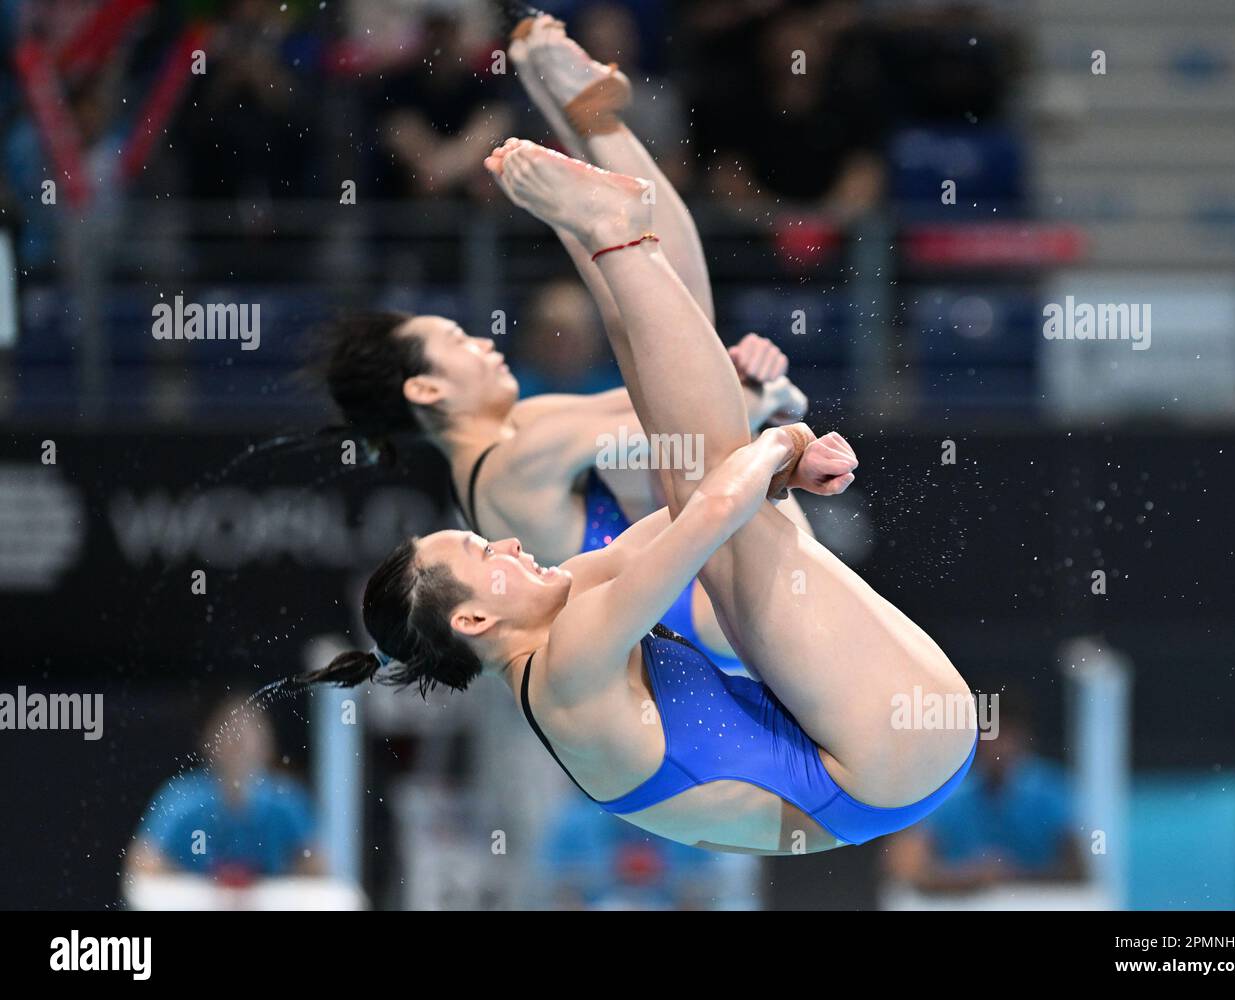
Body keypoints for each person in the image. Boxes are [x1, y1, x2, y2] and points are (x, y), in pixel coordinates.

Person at [298, 136, 977, 855]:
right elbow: (707, 508)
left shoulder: (557, 595)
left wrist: (774, 470)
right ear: (471, 616)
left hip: (878, 753)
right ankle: (613, 222)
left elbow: (666, 519)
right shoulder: (564, 662)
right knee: (701, 468)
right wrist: (780, 441)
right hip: (882, 763)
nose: (500, 541)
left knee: (695, 464)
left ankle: (611, 217)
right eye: (480, 550)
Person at [317, 17, 810, 677]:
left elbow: (666, 376)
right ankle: (586, 119)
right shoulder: (517, 457)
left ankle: (582, 115)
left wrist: (583, 221)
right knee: (664, 347)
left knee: (654, 327)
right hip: (709, 618)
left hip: (703, 602)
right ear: (427, 390)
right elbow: (692, 428)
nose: (483, 346)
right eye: (457, 342)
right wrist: (763, 395)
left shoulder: (513, 445)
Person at [885, 695, 1086, 892]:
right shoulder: (949, 794)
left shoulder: (1052, 791)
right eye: (990, 735)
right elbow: (904, 867)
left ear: (1024, 737)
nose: (997, 745)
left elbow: (1083, 869)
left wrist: (1017, 877)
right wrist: (969, 877)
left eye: (1006, 734)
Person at [126, 696, 321, 880]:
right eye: (230, 730)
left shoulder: (287, 800)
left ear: (268, 741)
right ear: (208, 741)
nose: (239, 741)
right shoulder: (181, 798)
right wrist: (201, 891)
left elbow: (318, 867)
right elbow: (142, 863)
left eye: (248, 730)